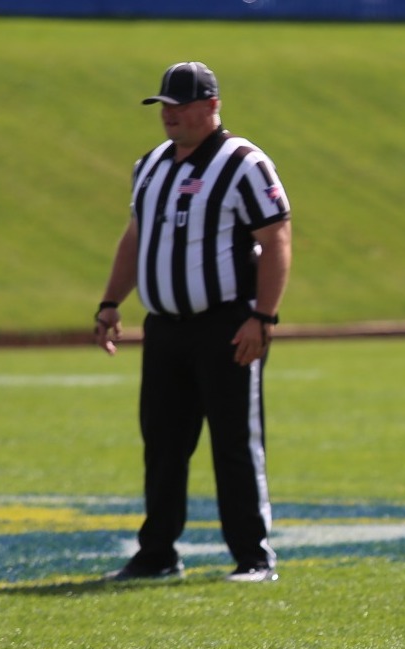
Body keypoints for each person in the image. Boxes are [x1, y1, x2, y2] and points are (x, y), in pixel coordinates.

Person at [93, 61, 291, 583]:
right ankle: (157, 553)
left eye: (181, 105)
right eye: (165, 106)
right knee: (162, 443)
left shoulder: (244, 162)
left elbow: (276, 239)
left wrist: (262, 316)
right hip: (165, 327)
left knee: (235, 443)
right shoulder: (152, 164)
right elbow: (136, 238)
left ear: (211, 106)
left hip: (225, 323)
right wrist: (111, 301)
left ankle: (253, 555)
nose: (171, 115)